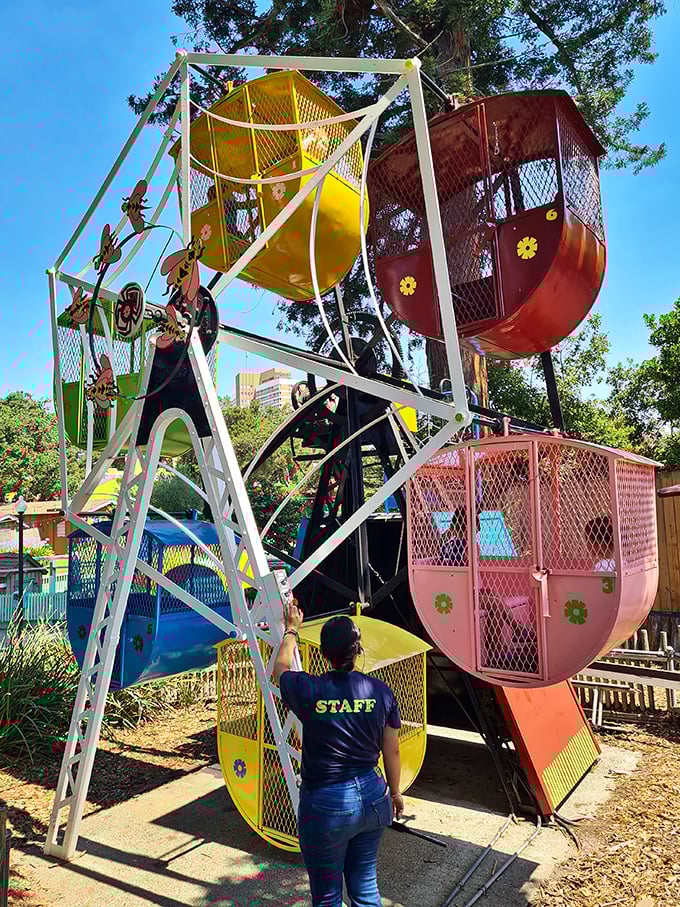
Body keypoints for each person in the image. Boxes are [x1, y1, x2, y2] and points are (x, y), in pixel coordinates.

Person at [274, 600, 403, 907]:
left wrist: (292, 630)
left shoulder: (310, 690)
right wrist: (395, 794)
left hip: (327, 805)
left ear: (322, 654)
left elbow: (279, 669)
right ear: (358, 650)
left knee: (328, 897)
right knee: (365, 889)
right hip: (374, 798)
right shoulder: (380, 691)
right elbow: (392, 749)